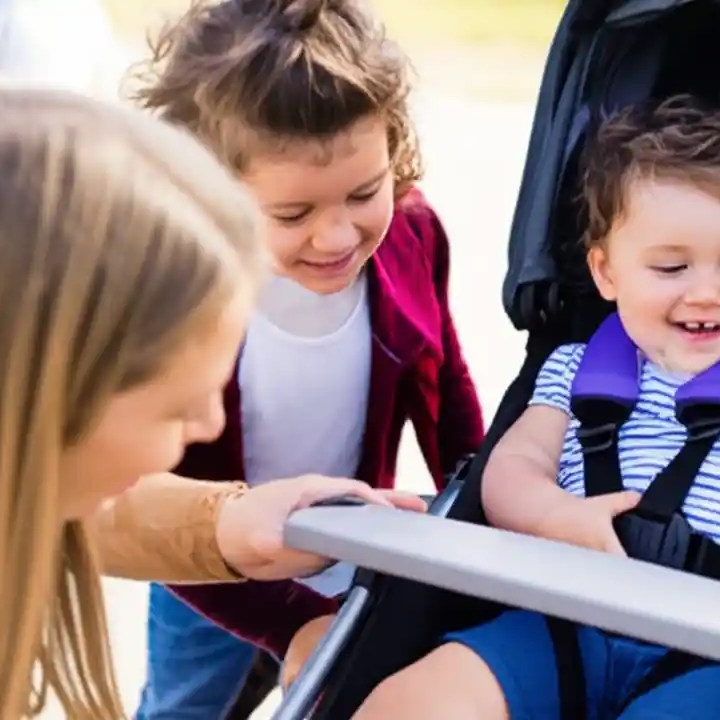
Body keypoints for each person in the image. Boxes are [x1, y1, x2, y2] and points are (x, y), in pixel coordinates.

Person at [0, 87, 424, 720]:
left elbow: (68, 506)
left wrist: (228, 523)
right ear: (46, 398)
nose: (210, 423)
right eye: (177, 407)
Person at [354, 94, 720, 719]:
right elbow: (508, 472)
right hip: (562, 623)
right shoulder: (574, 372)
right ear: (606, 272)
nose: (707, 293)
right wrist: (555, 515)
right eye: (671, 267)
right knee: (416, 701)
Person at [125, 0, 485, 716]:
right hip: (209, 576)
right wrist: (288, 624)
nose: (338, 236)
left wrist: (481, 523)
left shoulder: (414, 233)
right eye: (293, 215)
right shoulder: (176, 293)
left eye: (364, 192)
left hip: (350, 556)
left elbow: (447, 379)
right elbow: (148, 491)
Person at [0, 0, 119, 98]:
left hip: (67, 145)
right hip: (6, 140)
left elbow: (100, 90)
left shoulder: (92, 11)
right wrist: (39, 105)